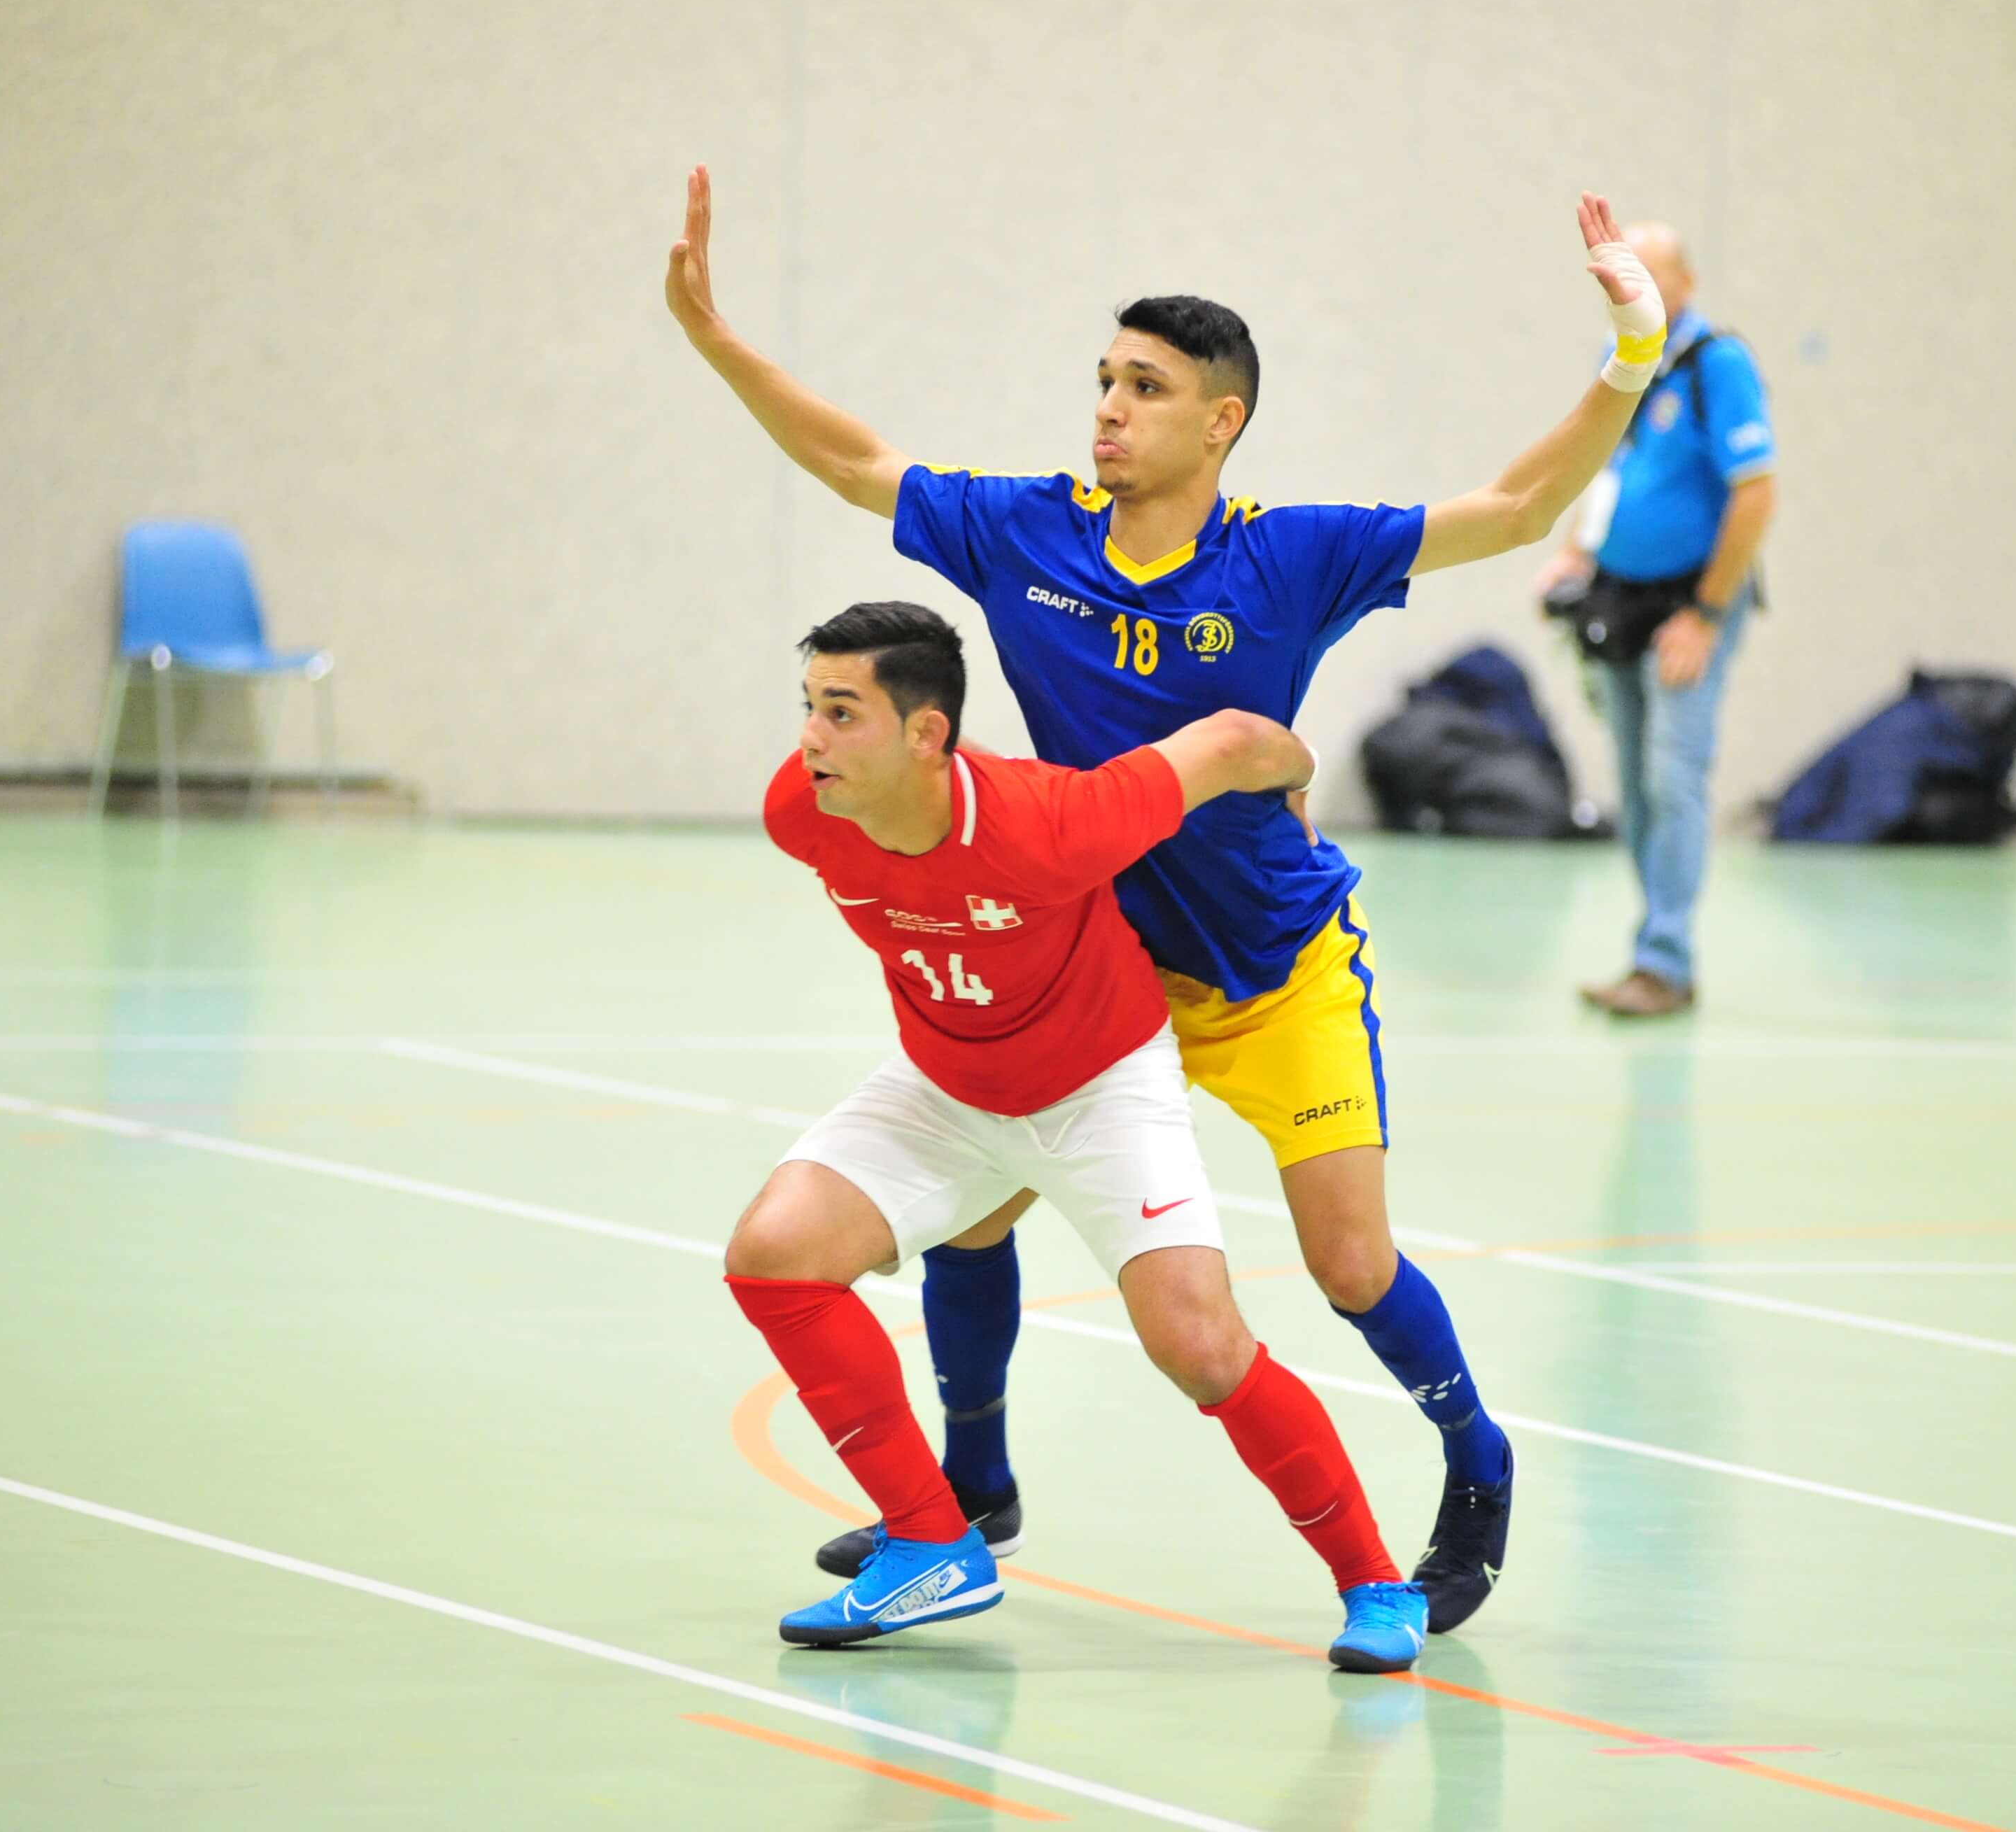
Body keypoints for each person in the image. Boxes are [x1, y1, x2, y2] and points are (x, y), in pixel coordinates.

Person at [667, 164, 1664, 1633]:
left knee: (1345, 1264)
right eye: (1102, 380)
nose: (1108, 409)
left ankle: (1473, 1454)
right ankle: (975, 1491)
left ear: (1222, 419)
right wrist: (716, 340)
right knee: (968, 1210)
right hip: (1114, 972)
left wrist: (1629, 356)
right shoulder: (1029, 535)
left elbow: (1518, 510)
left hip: (1274, 963)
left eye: (1144, 386)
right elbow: (853, 461)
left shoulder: (1292, 555)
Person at [726, 600, 1430, 1671]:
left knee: (1199, 1346)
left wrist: (1293, 780)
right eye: (807, 709)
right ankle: (929, 1539)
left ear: (926, 734)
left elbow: (1234, 740)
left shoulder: (1050, 820)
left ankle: (1376, 1586)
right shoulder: (802, 811)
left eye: (841, 712)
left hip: (1103, 1092)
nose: (810, 739)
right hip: (948, 1086)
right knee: (773, 1258)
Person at [1533, 223, 1776, 1018]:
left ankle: (1664, 961)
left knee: (1673, 779)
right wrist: (1576, 553)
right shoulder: (1631, 364)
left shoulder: (1717, 366)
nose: (1632, 285)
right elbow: (1611, 471)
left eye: (1647, 270)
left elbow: (1754, 493)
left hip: (1687, 606)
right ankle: (1651, 951)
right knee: (1637, 788)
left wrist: (1704, 616)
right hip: (1620, 600)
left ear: (1685, 280)